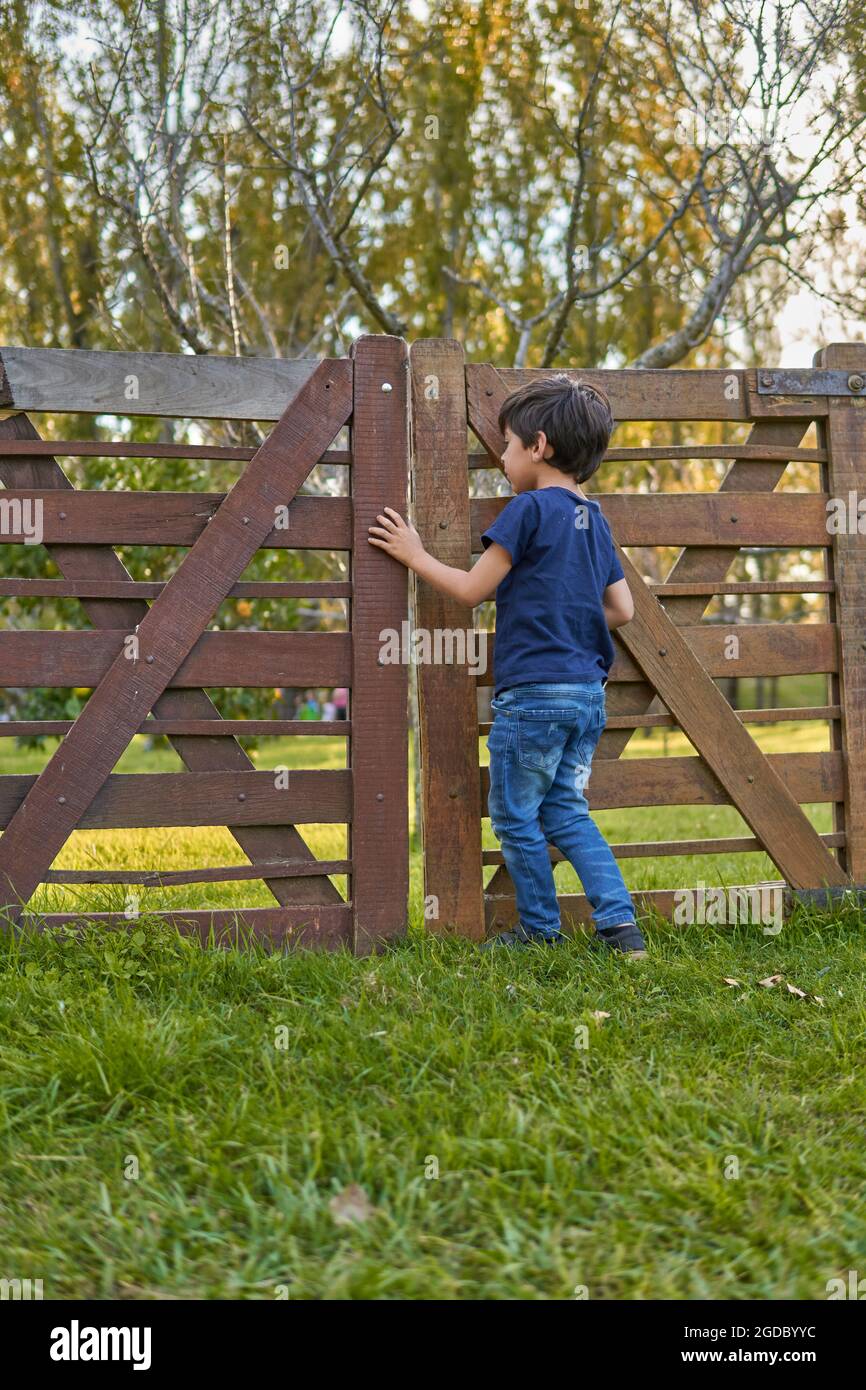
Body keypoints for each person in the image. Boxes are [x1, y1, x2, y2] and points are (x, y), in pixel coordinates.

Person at [367, 373, 647, 957]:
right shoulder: (594, 519)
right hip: (586, 697)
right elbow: (621, 608)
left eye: (510, 446)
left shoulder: (528, 510)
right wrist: (569, 615)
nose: (505, 458)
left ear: (538, 446)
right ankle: (622, 928)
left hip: (533, 698)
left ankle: (540, 931)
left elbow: (471, 590)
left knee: (516, 817)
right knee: (568, 811)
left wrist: (415, 554)